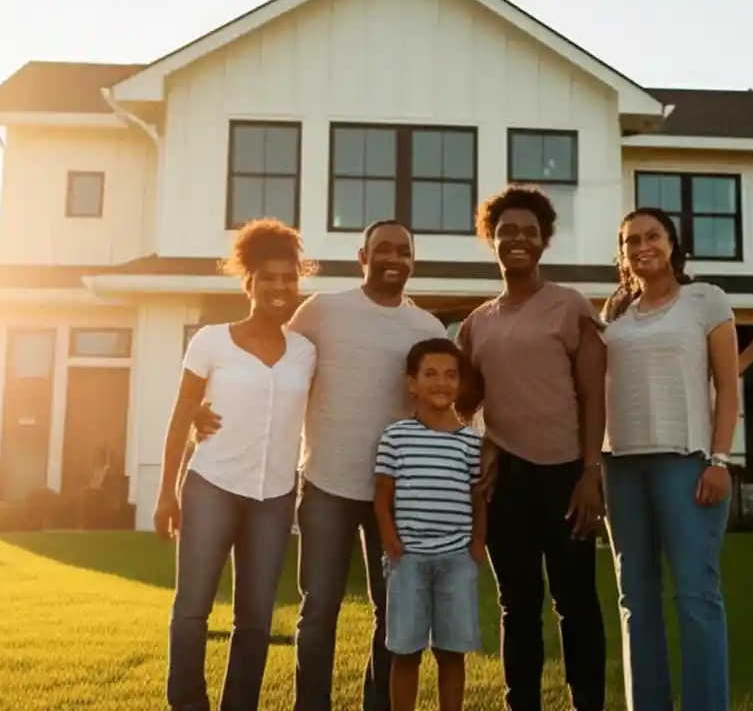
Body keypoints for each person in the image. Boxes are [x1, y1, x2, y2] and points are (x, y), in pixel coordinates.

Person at [194, 220, 447, 711]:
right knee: (319, 611)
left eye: (403, 250)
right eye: (383, 249)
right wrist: (204, 405)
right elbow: (270, 362)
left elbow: (441, 401)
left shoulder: (428, 328)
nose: (393, 258)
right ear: (362, 256)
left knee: (391, 612)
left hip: (394, 493)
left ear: (412, 260)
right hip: (326, 484)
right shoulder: (323, 311)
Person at [154, 218, 318, 711]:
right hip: (212, 485)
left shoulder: (306, 352)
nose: (280, 287)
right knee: (192, 609)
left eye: (289, 278)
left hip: (273, 497)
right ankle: (187, 704)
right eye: (268, 277)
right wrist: (167, 491)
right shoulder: (212, 341)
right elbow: (183, 414)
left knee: (255, 618)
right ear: (248, 281)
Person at [457, 183, 608, 711]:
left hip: (567, 476)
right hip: (508, 484)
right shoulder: (477, 324)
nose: (518, 239)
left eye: (529, 231)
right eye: (506, 232)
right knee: (516, 604)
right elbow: (465, 402)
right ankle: (521, 702)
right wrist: (488, 443)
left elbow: (592, 393)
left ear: (544, 241)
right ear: (491, 241)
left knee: (576, 602)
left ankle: (586, 701)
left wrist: (591, 471)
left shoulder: (571, 307)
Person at [599, 208, 739, 711]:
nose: (642, 246)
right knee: (635, 600)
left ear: (672, 243)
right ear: (622, 253)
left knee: (696, 596)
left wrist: (719, 459)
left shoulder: (706, 301)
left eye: (652, 235)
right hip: (620, 466)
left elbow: (728, 388)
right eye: (630, 240)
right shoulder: (613, 316)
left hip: (686, 463)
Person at [373, 338, 486, 711]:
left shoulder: (471, 443)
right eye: (431, 374)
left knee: (452, 652)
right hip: (408, 559)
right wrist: (391, 539)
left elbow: (478, 500)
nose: (442, 383)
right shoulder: (396, 437)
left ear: (461, 384)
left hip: (457, 558)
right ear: (412, 383)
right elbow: (382, 497)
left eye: (451, 375)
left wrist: (476, 547)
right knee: (405, 652)